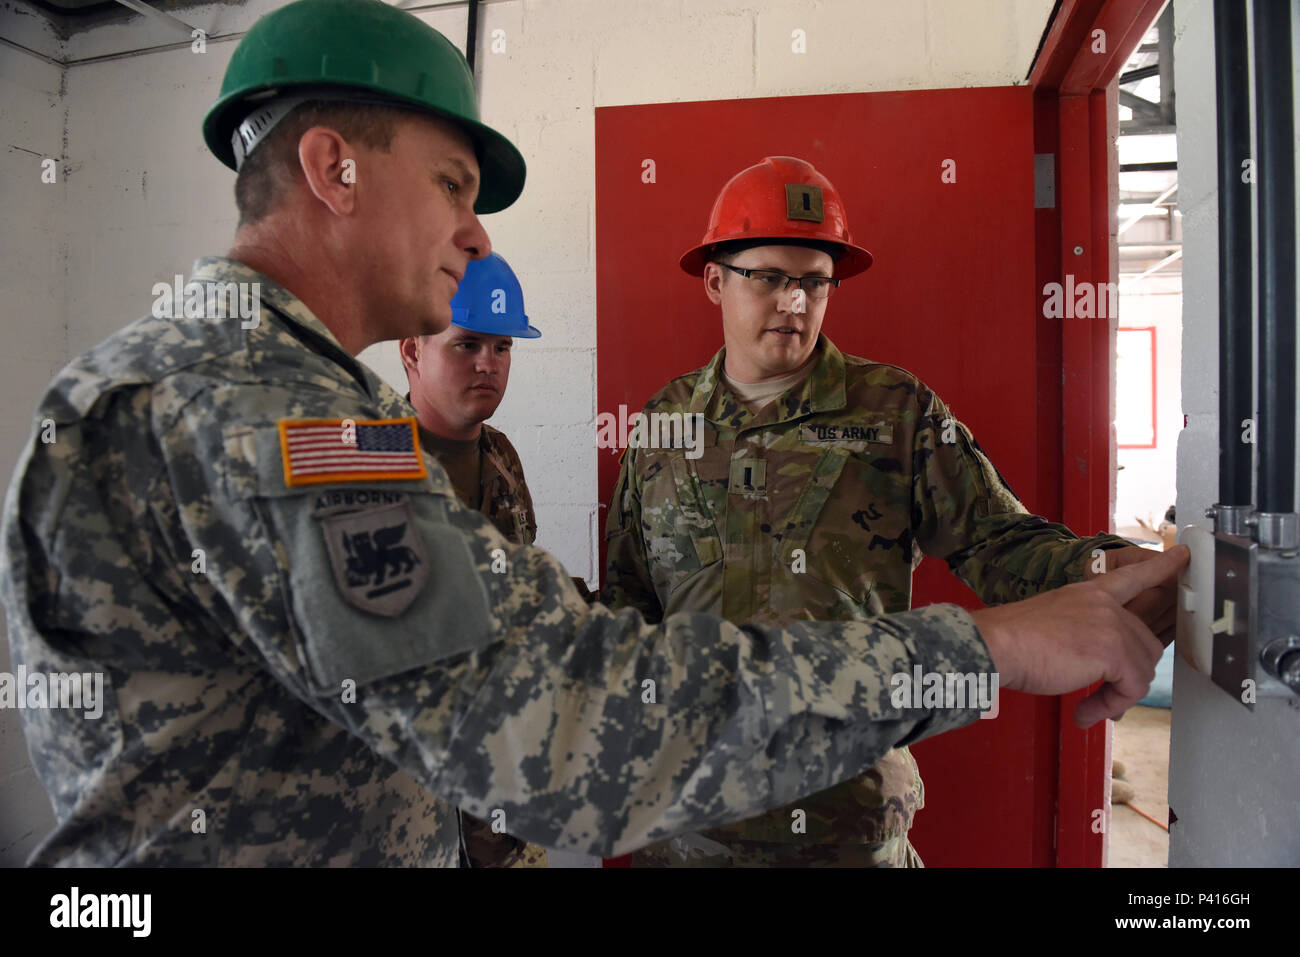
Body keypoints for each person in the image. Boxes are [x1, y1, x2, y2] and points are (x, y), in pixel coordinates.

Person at [0, 0, 1185, 866]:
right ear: (333, 168)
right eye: (454, 183)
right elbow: (568, 717)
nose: (476, 235)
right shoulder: (253, 409)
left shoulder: (289, 400)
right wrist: (979, 649)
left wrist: (1085, 585)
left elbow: (543, 661)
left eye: (813, 279)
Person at [603, 155, 1180, 867]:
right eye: (769, 277)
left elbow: (999, 543)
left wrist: (1098, 566)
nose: (794, 303)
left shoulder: (895, 413)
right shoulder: (665, 422)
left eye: (814, 281)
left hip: (847, 821)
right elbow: (630, 599)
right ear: (715, 281)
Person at [399, 251, 546, 867]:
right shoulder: (360, 464)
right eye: (466, 344)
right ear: (413, 350)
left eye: (502, 346)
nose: (489, 363)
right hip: (403, 820)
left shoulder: (501, 456)